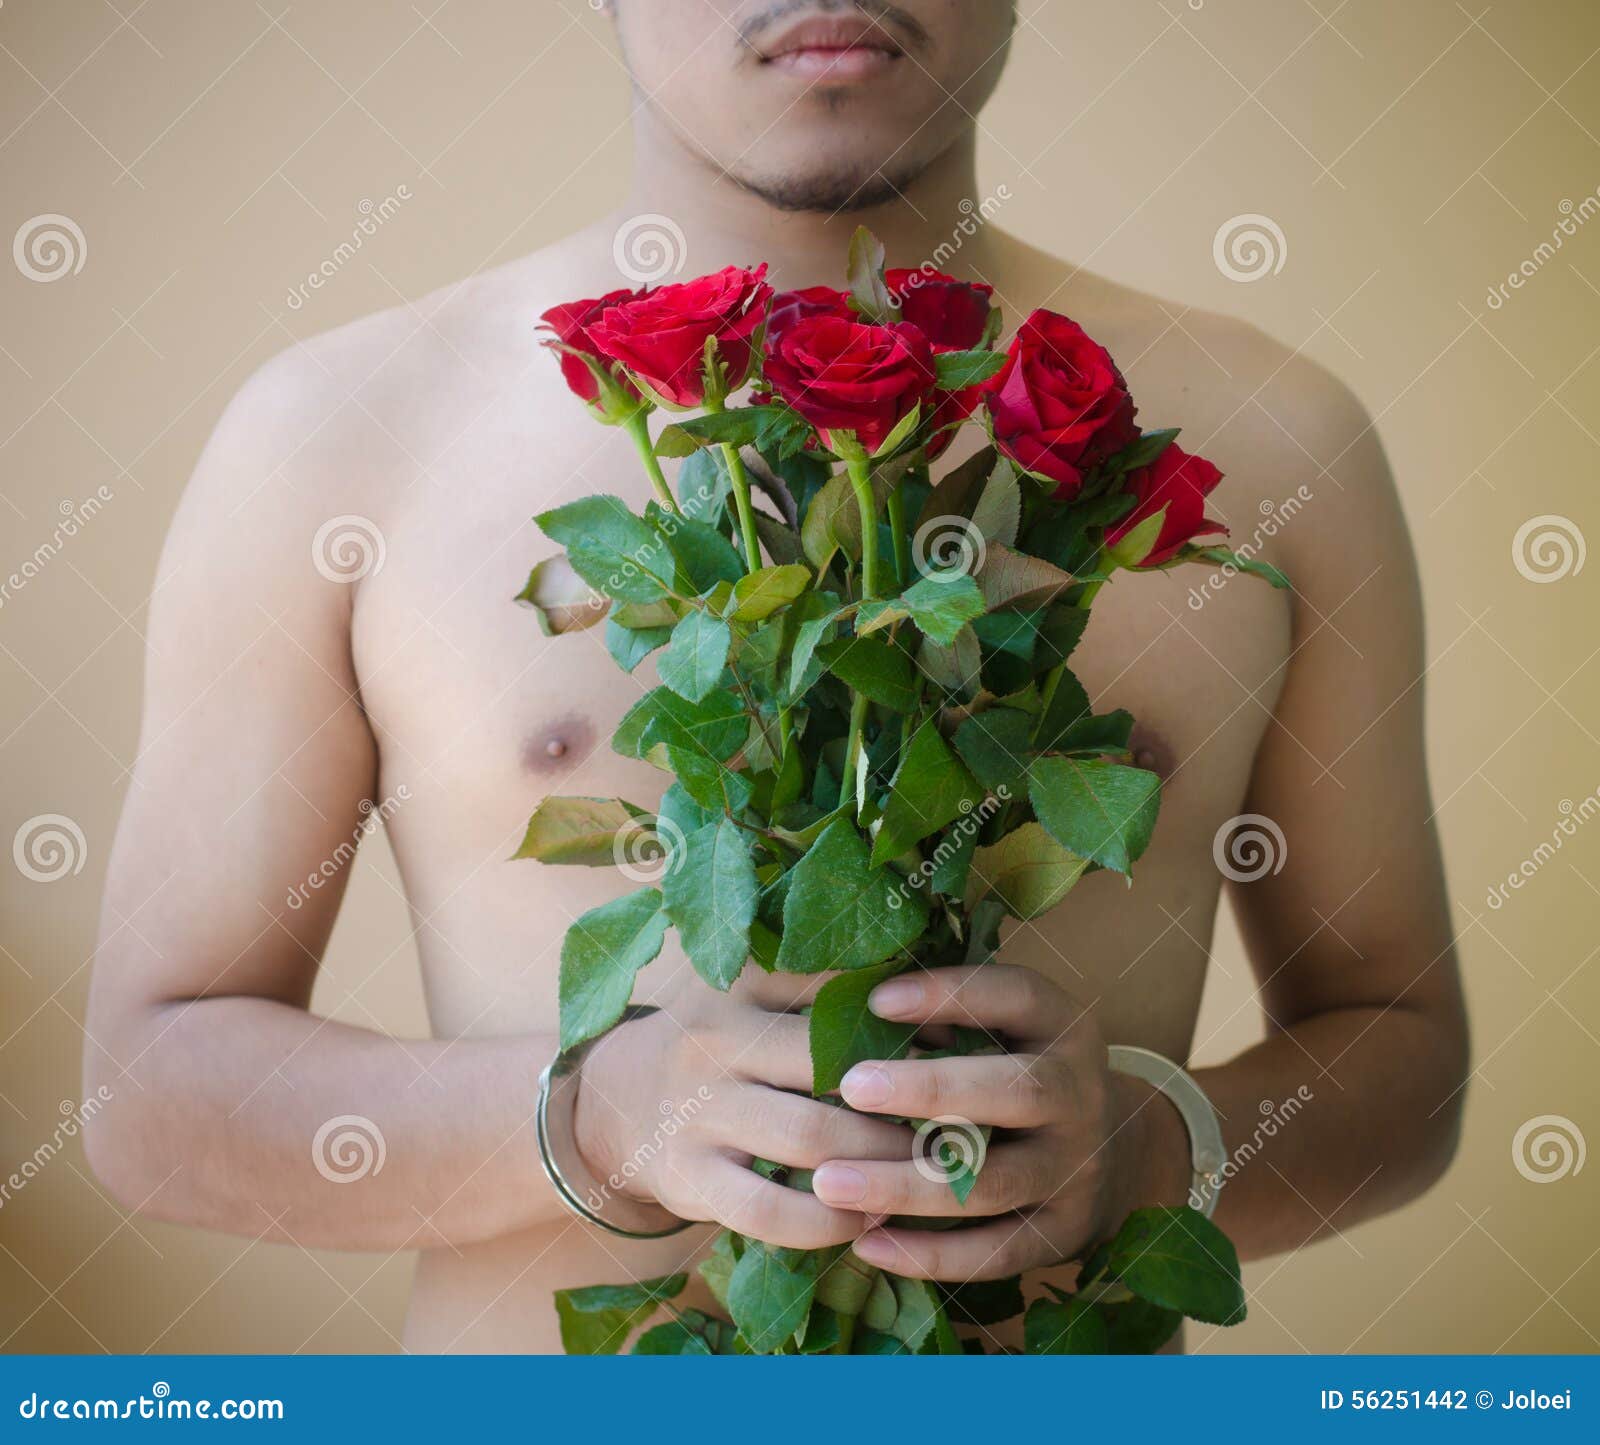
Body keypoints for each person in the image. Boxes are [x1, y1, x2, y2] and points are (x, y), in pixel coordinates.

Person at [83, 0, 1467, 1353]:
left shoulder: (1281, 447)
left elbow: (1401, 1051)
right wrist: (591, 1120)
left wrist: (1149, 1155)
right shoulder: (337, 437)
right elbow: (148, 1094)